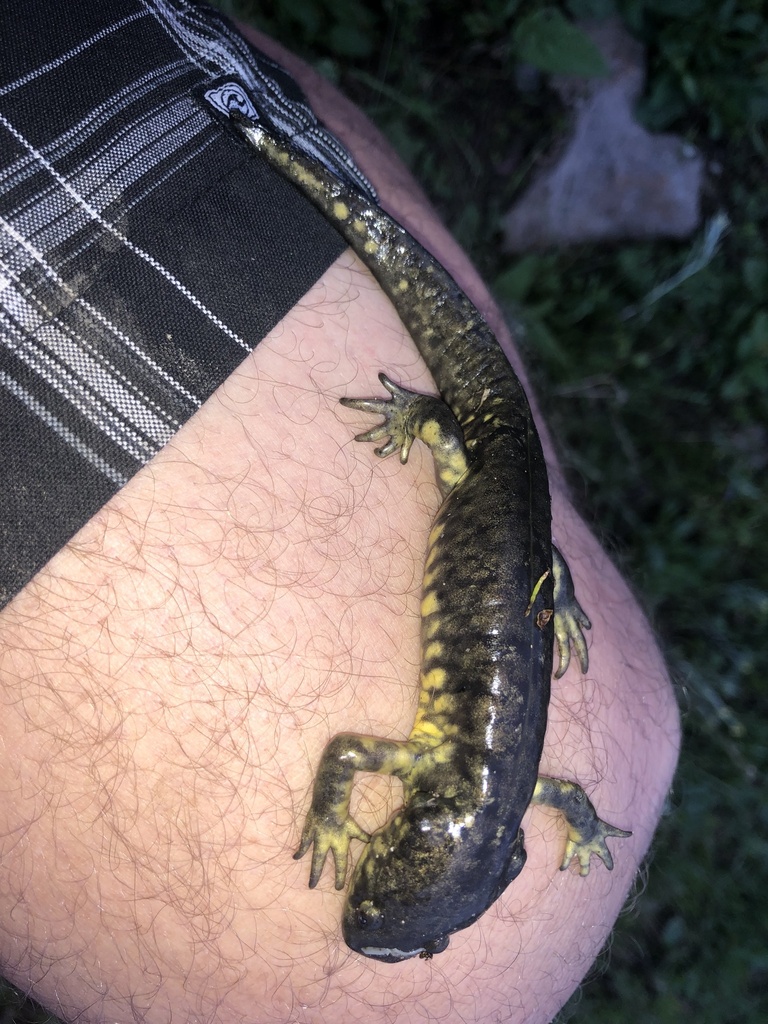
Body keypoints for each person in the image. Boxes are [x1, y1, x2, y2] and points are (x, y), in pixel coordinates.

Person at [0, 2, 680, 1021]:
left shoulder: (522, 804)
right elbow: (347, 759)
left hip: (508, 500)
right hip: (479, 472)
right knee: (627, 721)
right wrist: (423, 417)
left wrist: (576, 817)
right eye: (393, 898)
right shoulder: (423, 771)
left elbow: (567, 800)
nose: (368, 898)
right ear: (414, 841)